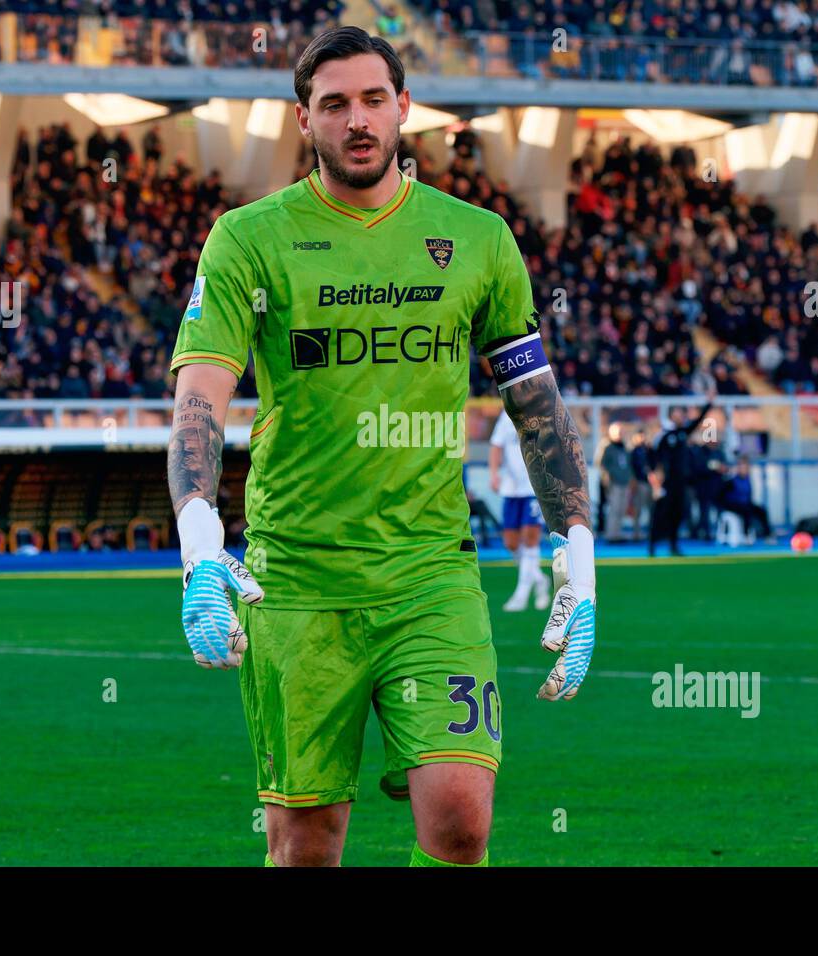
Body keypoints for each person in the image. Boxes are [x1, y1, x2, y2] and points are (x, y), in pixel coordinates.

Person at [166, 27, 596, 868]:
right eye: (334, 105)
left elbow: (535, 403)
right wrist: (198, 544)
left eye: (373, 100)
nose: (356, 121)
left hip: (430, 575)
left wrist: (576, 550)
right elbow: (199, 401)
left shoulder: (477, 239)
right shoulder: (249, 238)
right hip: (295, 582)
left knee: (463, 818)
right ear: (305, 120)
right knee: (306, 847)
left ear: (404, 108)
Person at [490, 411, 550, 611]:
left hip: (534, 487)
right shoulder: (506, 417)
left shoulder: (541, 414)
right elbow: (496, 446)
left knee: (531, 538)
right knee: (511, 542)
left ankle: (521, 594)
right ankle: (540, 580)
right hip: (511, 487)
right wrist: (494, 474)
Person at [648, 389, 714, 557]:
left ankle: (673, 544)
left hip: (680, 482)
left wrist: (709, 403)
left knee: (678, 513)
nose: (681, 416)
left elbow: (697, 421)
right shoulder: (663, 436)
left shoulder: (683, 433)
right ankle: (652, 545)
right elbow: (652, 457)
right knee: (661, 513)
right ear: (671, 415)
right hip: (666, 482)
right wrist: (655, 475)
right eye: (678, 412)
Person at [719, 457, 775, 542]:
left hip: (745, 504)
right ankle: (746, 535)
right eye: (742, 467)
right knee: (746, 511)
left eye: (746, 467)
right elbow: (723, 497)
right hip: (733, 505)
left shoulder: (748, 480)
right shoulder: (731, 481)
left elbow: (748, 496)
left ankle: (768, 535)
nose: (744, 469)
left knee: (761, 510)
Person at [595, 421, 632, 543]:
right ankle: (611, 535)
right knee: (614, 509)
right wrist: (608, 479)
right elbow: (601, 464)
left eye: (622, 432)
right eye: (618, 432)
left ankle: (618, 533)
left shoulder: (624, 447)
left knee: (621, 509)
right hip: (614, 483)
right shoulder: (607, 446)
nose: (620, 434)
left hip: (624, 483)